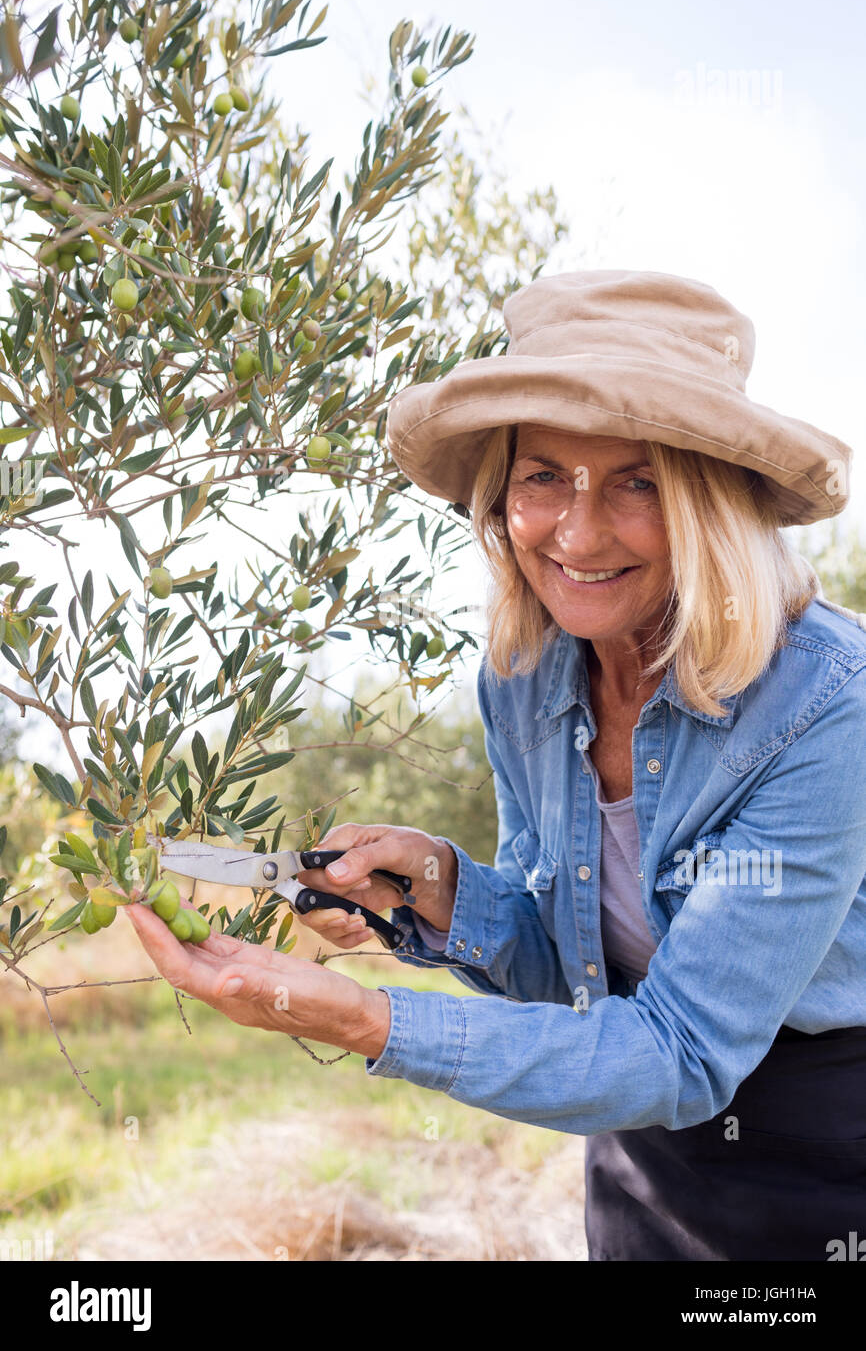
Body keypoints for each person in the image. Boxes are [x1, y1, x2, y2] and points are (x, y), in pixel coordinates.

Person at [127, 269, 866, 1261]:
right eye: (542, 475)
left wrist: (371, 1022)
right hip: (640, 1156)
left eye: (635, 481)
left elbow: (682, 1047)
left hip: (826, 1160)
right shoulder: (524, 680)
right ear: (499, 493)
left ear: (706, 503)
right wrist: (435, 888)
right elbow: (564, 964)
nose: (576, 529)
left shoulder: (825, 706)